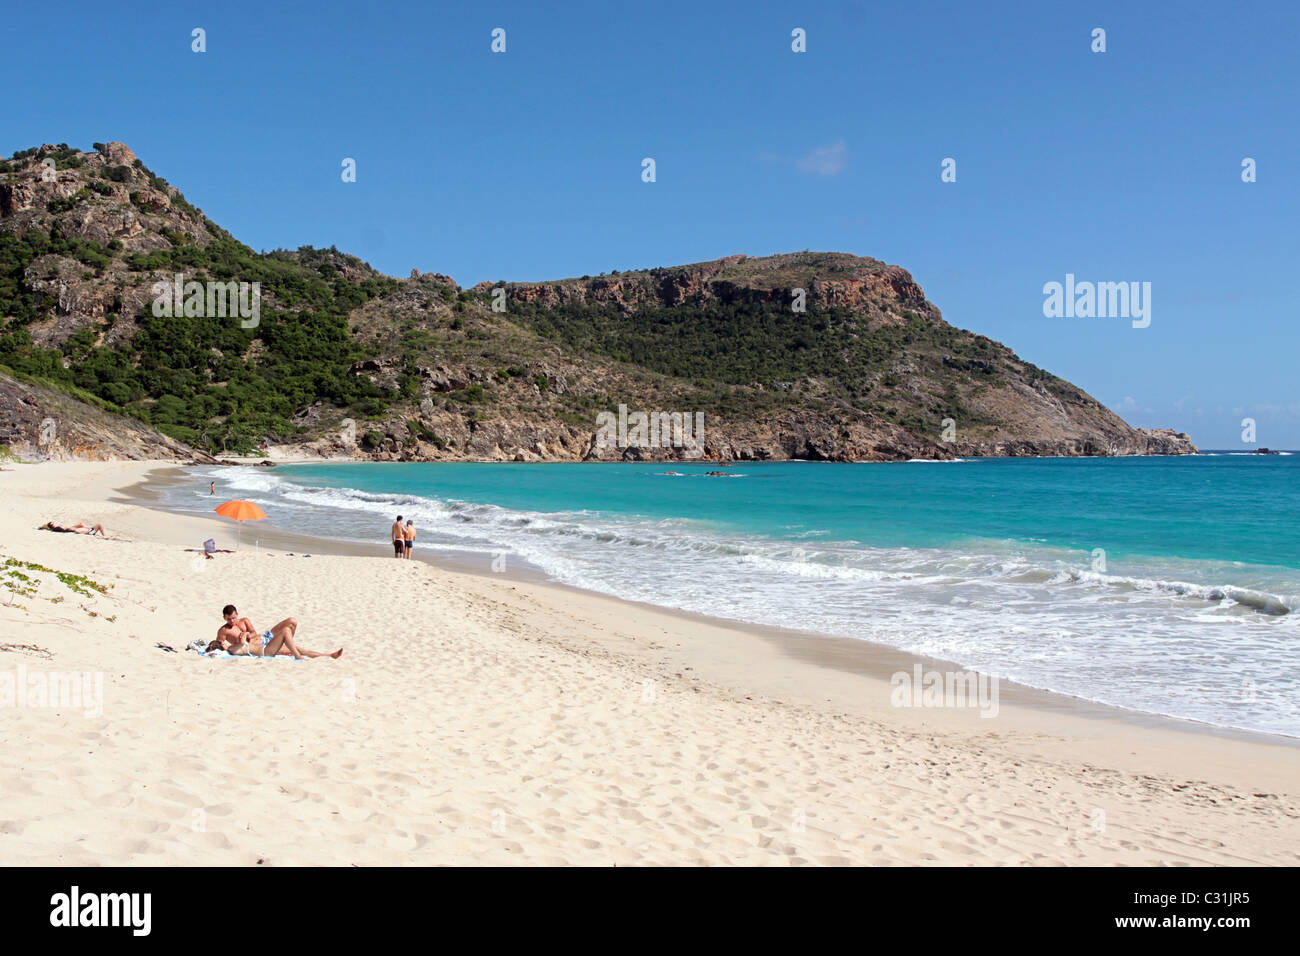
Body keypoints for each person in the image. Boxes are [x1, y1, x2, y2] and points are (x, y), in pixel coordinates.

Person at [208, 605, 341, 659]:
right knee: (291, 639)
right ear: (224, 618)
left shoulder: (244, 621)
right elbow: (220, 645)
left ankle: (288, 645)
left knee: (292, 621)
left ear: (237, 614)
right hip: (263, 648)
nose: (232, 621)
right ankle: (292, 648)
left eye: (234, 618)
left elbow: (254, 632)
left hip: (264, 638)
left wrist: (248, 634)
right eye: (229, 619)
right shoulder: (224, 631)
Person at [42, 521, 107, 536]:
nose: (53, 524)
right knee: (99, 525)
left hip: (90, 531)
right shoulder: (56, 528)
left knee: (81, 525)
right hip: (90, 532)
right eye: (52, 524)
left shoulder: (55, 528)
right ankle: (104, 536)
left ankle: (104, 535)